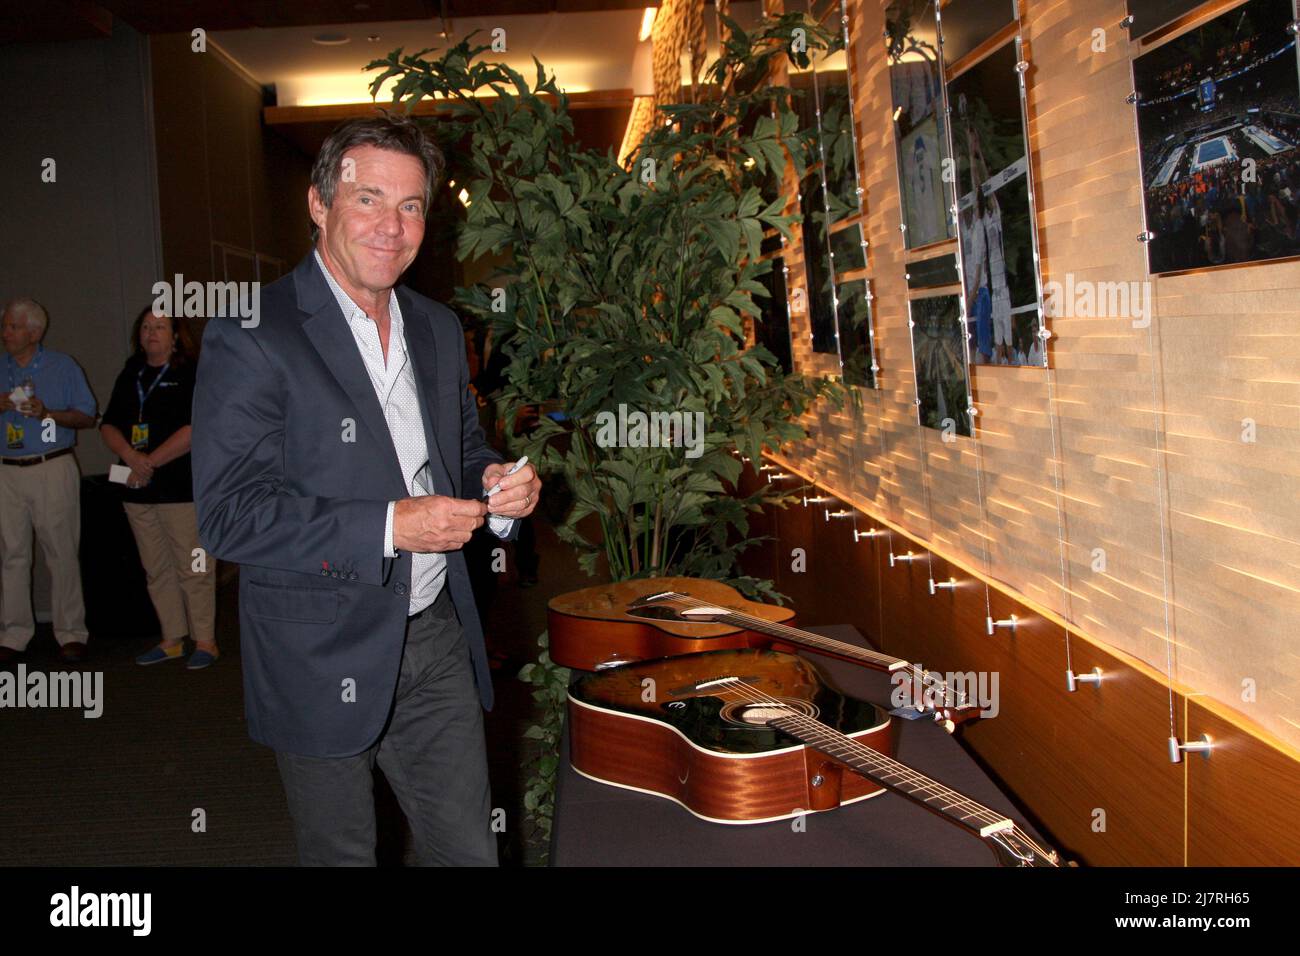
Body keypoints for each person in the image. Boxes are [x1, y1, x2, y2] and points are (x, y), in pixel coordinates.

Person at [191, 114, 541, 866]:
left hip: (434, 636)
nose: (392, 226)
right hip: (320, 648)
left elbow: (462, 446)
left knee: (470, 854)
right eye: (368, 200)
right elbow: (228, 516)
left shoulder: (439, 328)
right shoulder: (253, 332)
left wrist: (494, 479)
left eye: (411, 206)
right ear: (319, 205)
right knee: (344, 856)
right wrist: (389, 526)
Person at [100, 307, 218, 669]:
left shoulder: (191, 374)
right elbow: (108, 425)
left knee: (193, 566)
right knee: (156, 568)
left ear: (175, 335)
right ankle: (171, 638)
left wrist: (149, 462)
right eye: (146, 327)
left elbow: (195, 429)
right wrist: (130, 457)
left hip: (180, 487)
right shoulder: (131, 371)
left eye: (160, 327)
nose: (151, 333)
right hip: (136, 485)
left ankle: (205, 640)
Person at [0, 298, 97, 665]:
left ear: (34, 332)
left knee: (61, 553)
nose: (5, 333)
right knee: (12, 555)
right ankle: (14, 633)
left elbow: (87, 417)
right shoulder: (1, 368)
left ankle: (71, 632)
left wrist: (48, 413)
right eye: (6, 326)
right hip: (6, 469)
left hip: (51, 466)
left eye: (12, 326)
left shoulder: (63, 366)